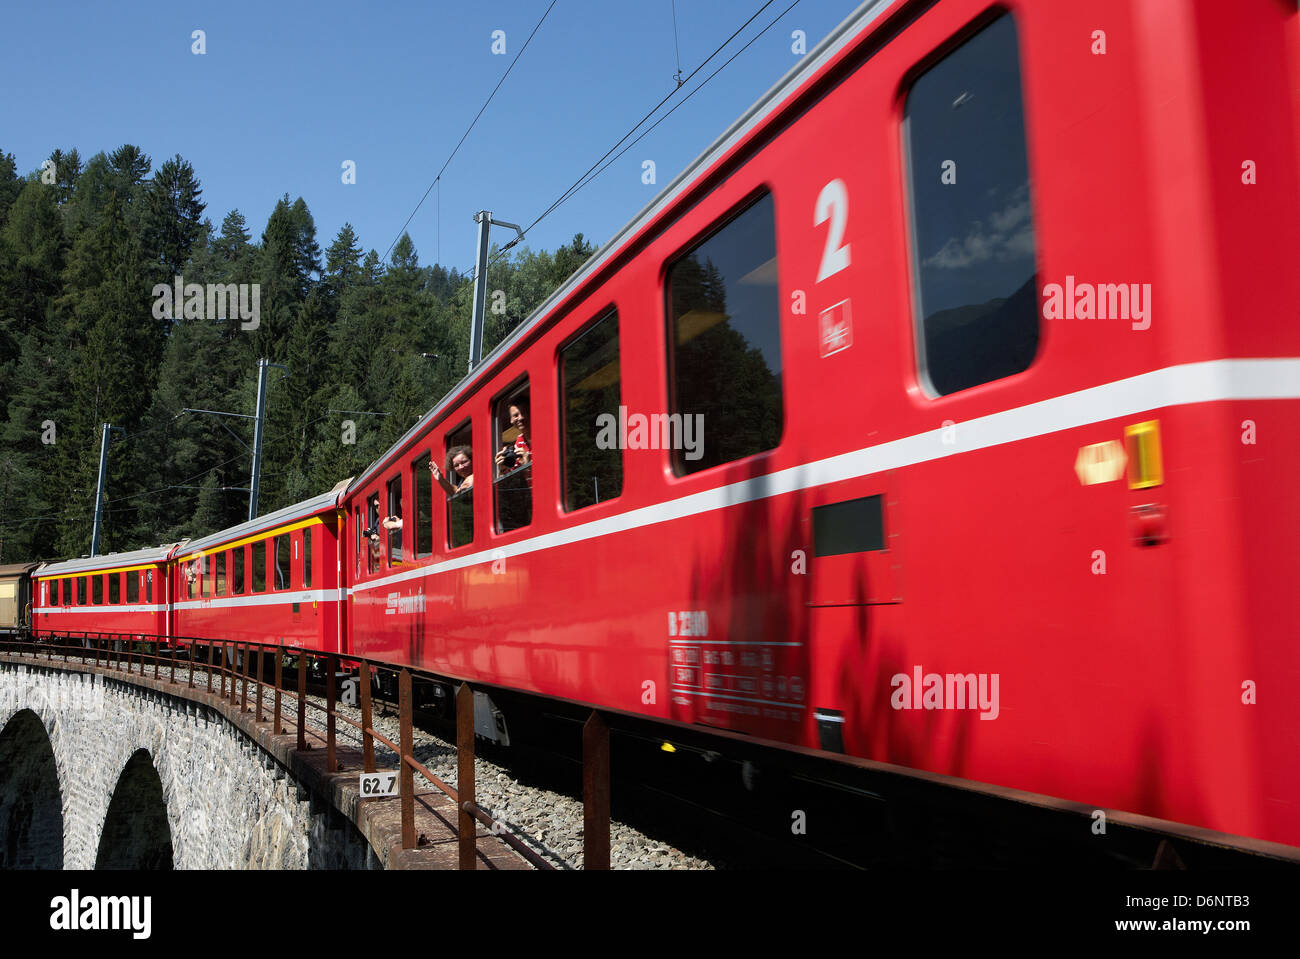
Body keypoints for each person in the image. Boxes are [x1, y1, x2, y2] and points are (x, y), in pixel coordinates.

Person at [495, 400, 532, 478]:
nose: (521, 417)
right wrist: (502, 469)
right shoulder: (519, 443)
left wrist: (528, 464)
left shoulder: (544, 436)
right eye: (516, 415)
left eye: (524, 413)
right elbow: (514, 482)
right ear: (511, 420)